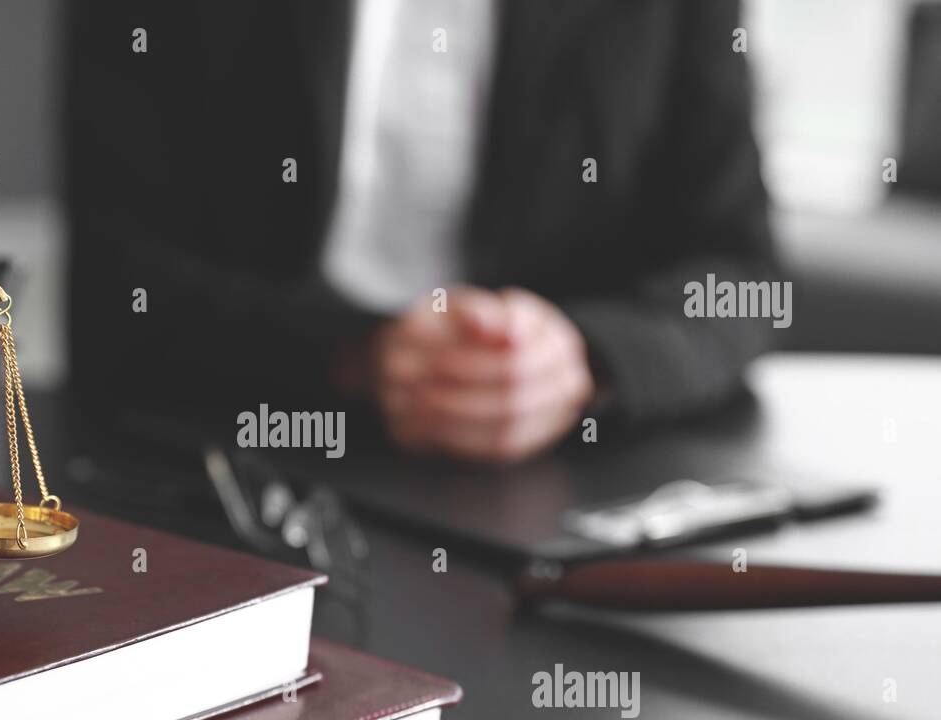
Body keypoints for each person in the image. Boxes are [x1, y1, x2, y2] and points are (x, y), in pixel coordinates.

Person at [68, 0, 775, 462]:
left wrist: (581, 359)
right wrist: (357, 356)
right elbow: (118, 282)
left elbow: (741, 279)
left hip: (583, 480)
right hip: (246, 454)